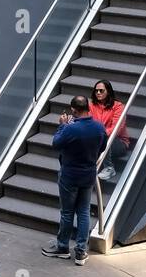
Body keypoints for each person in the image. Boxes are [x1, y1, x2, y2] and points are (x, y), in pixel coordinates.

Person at [42, 94, 107, 267]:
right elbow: (102, 147)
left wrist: (62, 126)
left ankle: (63, 247)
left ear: (73, 110)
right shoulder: (99, 127)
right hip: (88, 175)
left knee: (67, 212)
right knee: (84, 212)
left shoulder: (70, 129)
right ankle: (80, 251)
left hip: (69, 175)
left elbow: (56, 143)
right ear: (88, 107)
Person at [90, 78, 130, 181]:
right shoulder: (92, 106)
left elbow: (118, 129)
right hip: (96, 140)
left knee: (104, 137)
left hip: (117, 143)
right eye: (96, 91)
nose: (98, 93)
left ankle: (109, 167)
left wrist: (100, 133)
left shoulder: (118, 106)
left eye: (101, 90)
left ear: (108, 92)